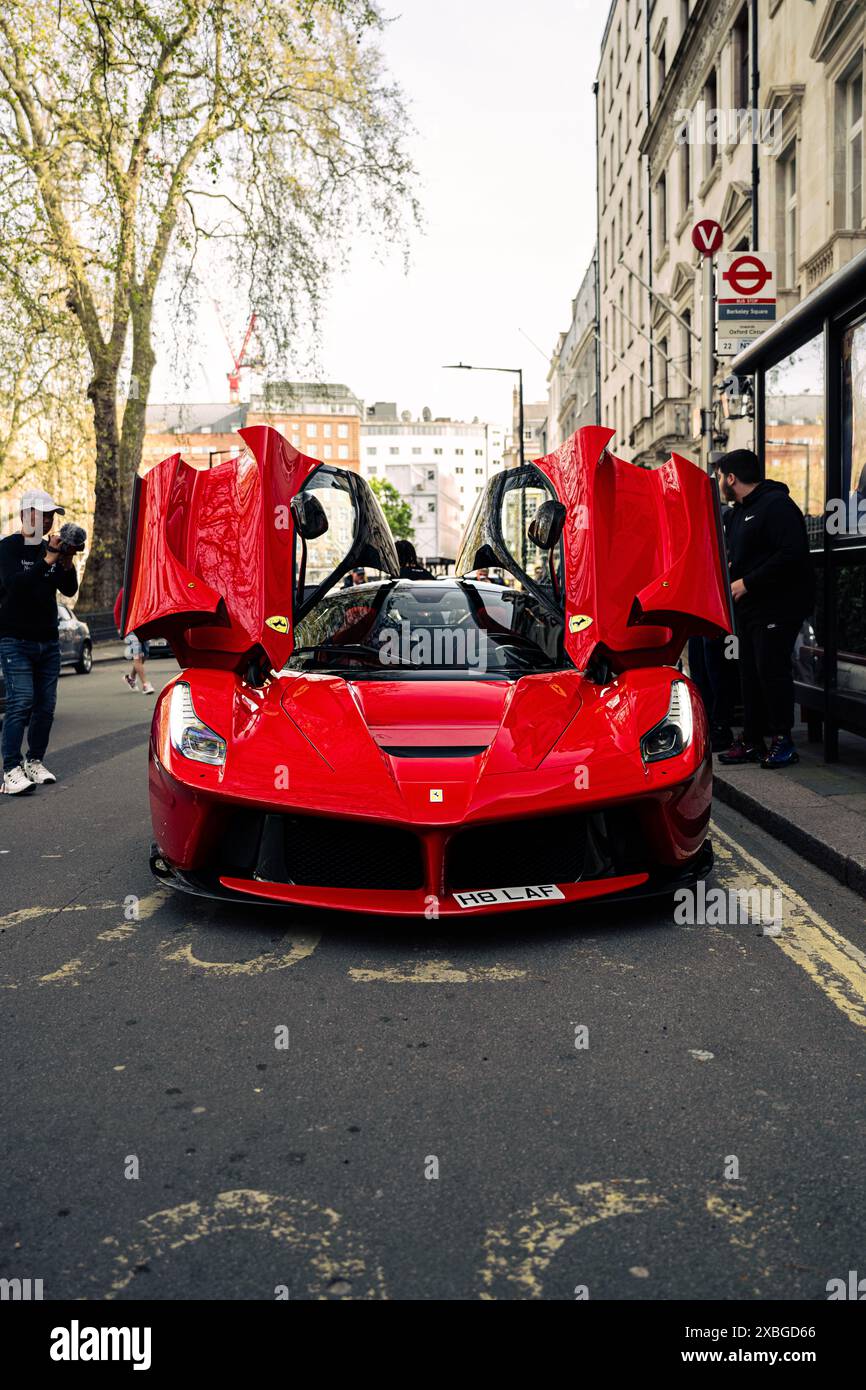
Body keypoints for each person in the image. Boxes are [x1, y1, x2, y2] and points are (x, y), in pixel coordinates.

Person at [716, 449, 814, 770]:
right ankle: (753, 740)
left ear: (732, 478)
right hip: (750, 610)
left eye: (720, 477)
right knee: (750, 672)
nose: (719, 483)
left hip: (777, 605)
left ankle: (783, 741)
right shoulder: (741, 512)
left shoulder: (777, 505)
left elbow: (792, 553)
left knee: (771, 671)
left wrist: (748, 583)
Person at [0, 489, 78, 794]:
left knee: (46, 707)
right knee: (21, 702)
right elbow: (15, 586)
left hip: (48, 641)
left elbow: (69, 590)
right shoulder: (8, 548)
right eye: (42, 515)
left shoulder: (52, 549)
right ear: (25, 515)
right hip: (14, 639)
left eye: (50, 516)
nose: (47, 521)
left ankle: (34, 761)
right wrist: (47, 560)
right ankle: (9, 770)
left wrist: (67, 562)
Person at [113, 587, 154, 694]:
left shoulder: (144, 589)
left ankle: (130, 678)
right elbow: (116, 610)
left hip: (142, 628)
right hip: (129, 630)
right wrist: (119, 627)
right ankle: (146, 685)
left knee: (145, 655)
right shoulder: (125, 590)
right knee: (138, 657)